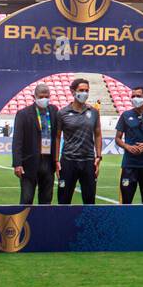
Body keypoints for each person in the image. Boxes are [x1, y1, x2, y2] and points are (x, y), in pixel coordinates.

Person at [11, 83, 60, 205]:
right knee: (27, 199)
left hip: (48, 162)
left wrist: (56, 160)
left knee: (46, 199)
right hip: (29, 163)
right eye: (41, 96)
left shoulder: (54, 111)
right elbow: (17, 141)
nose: (44, 99)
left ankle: (43, 224)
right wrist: (17, 164)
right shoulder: (23, 114)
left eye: (46, 96)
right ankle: (24, 223)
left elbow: (57, 135)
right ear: (35, 97)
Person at [56, 77, 102, 205]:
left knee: (89, 201)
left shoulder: (93, 112)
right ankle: (63, 224)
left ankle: (89, 225)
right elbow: (57, 137)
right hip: (68, 161)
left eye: (87, 90)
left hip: (88, 161)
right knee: (63, 201)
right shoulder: (62, 113)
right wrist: (56, 160)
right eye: (81, 90)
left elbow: (98, 134)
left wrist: (98, 157)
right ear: (72, 91)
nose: (84, 93)